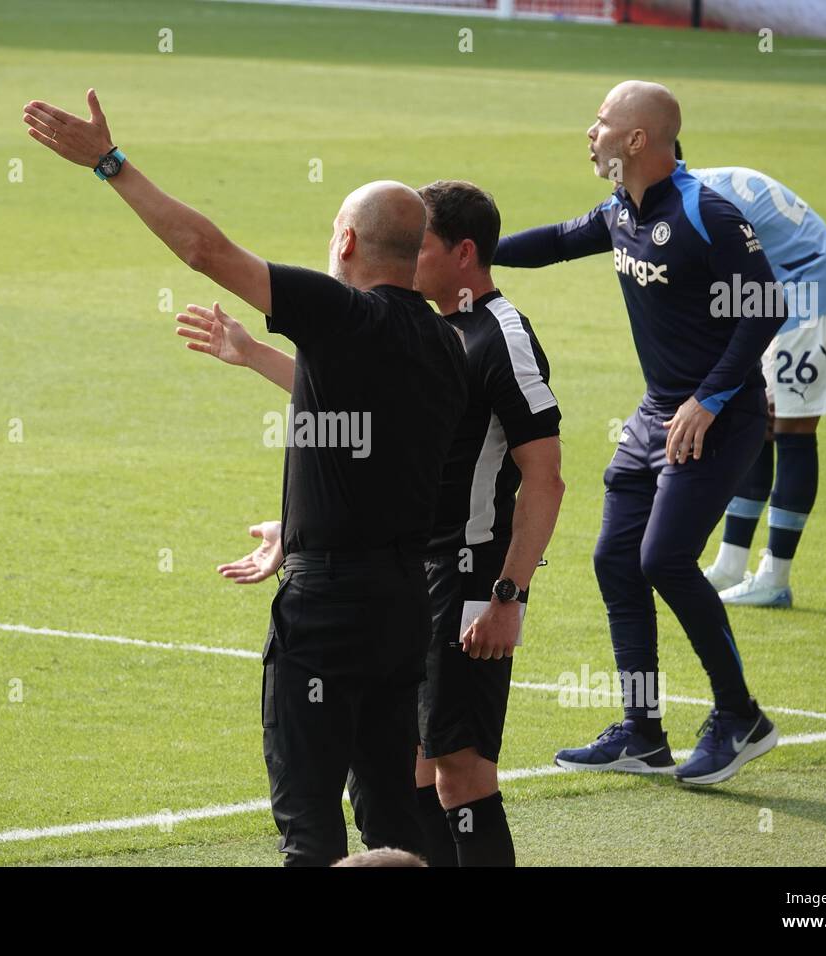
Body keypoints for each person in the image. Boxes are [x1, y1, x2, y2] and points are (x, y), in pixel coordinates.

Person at [23, 89, 468, 865]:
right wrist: (258, 364)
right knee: (393, 818)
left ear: (345, 241)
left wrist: (109, 163)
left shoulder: (339, 314)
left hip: (328, 611)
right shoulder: (444, 346)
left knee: (310, 829)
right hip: (403, 608)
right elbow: (364, 418)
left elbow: (206, 250)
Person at [182, 181, 565, 865]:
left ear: (463, 253)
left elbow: (546, 477)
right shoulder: (438, 333)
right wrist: (306, 527)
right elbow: (368, 407)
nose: (413, 256)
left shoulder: (497, 336)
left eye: (425, 245)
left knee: (460, 771)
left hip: (469, 576)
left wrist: (510, 595)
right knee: (411, 779)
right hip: (410, 576)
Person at [492, 81, 785, 785]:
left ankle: (740, 717)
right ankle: (643, 731)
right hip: (657, 413)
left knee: (664, 560)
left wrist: (709, 399)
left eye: (600, 122)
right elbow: (557, 242)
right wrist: (467, 255)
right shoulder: (622, 208)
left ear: (637, 140)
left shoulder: (705, 212)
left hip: (720, 416)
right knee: (617, 560)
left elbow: (766, 305)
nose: (589, 134)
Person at [677, 143, 826, 607]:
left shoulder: (695, 201)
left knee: (791, 427)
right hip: (776, 295)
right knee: (758, 424)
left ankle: (774, 578)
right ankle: (730, 565)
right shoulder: (697, 188)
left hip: (811, 291)